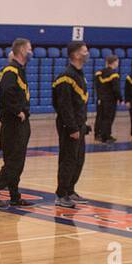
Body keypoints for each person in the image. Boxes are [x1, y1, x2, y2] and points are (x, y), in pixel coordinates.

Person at [0, 38, 33, 208]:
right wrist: (17, 110)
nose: (31, 52)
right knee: (13, 163)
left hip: (21, 124)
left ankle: (14, 195)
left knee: (17, 163)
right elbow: (6, 93)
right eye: (29, 49)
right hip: (13, 125)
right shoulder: (10, 71)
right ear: (21, 51)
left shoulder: (20, 70)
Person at [52, 41, 90, 207]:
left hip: (79, 124)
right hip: (70, 126)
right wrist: (72, 127)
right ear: (75, 54)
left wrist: (83, 124)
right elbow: (64, 106)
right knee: (68, 159)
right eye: (84, 51)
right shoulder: (66, 77)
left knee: (78, 159)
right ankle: (61, 194)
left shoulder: (79, 74)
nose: (87, 54)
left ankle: (70, 190)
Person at [93, 54, 121, 145]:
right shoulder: (114, 74)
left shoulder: (99, 73)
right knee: (108, 118)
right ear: (114, 62)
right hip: (110, 100)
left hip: (100, 99)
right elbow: (116, 89)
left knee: (99, 117)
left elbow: (96, 86)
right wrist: (120, 98)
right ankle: (106, 136)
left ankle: (97, 134)